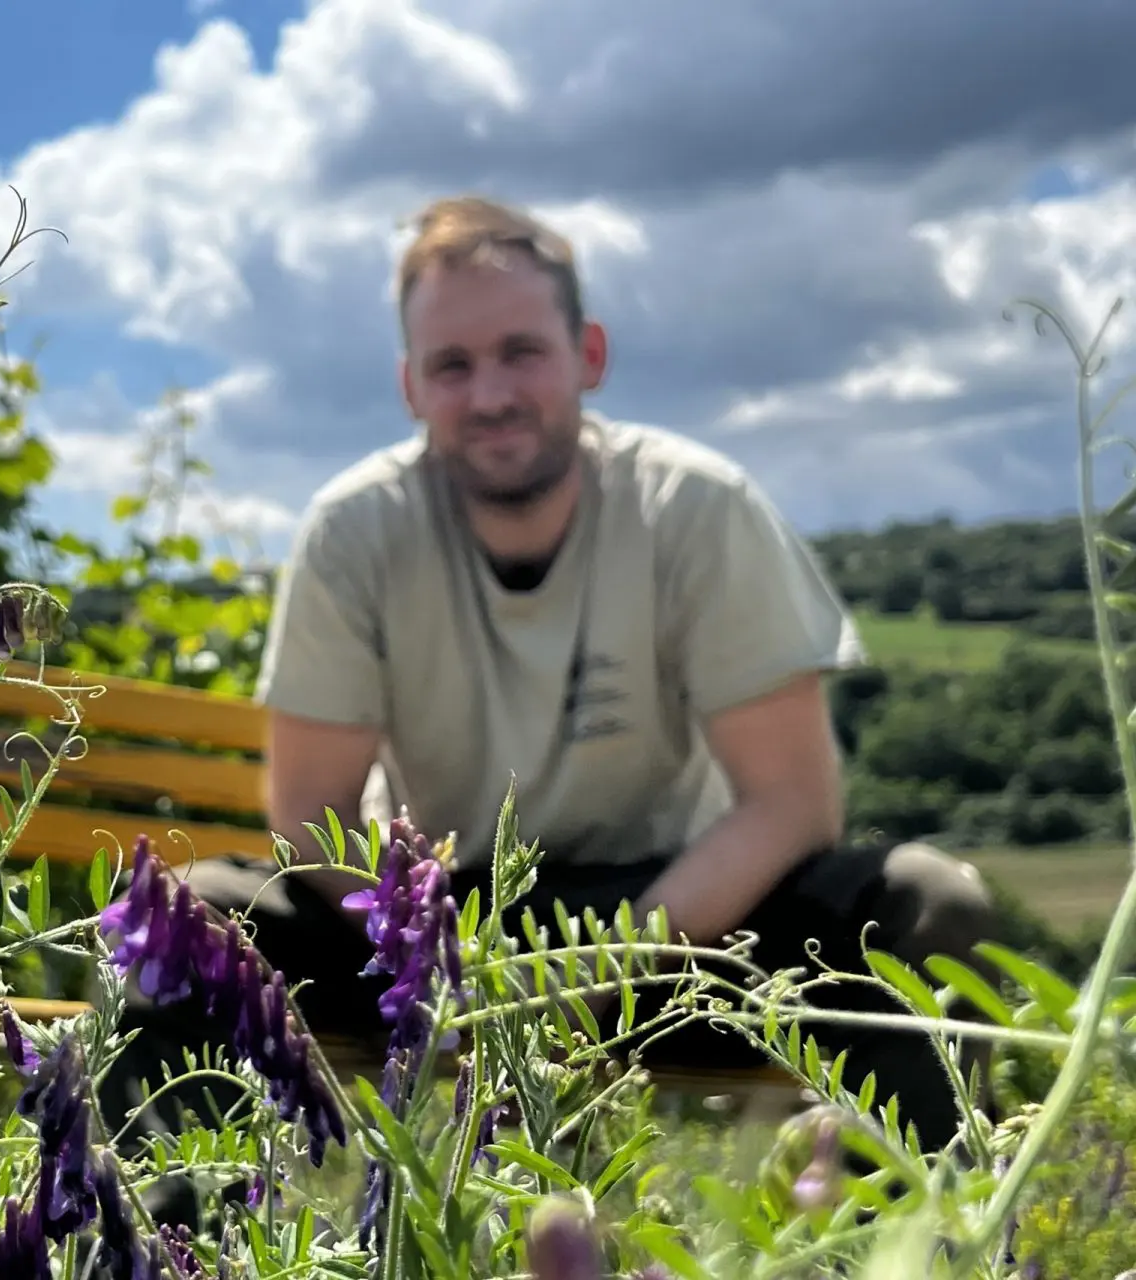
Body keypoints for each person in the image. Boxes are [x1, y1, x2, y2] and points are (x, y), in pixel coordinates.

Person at [90, 195, 1002, 1223]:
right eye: (452, 365)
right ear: (410, 387)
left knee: (930, 902)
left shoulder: (696, 507)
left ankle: (914, 1245)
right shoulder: (354, 531)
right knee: (199, 916)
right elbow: (310, 815)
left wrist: (600, 963)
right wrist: (438, 950)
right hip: (437, 926)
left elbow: (791, 805)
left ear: (590, 354)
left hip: (689, 927)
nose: (490, 393)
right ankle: (172, 1246)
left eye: (522, 351)